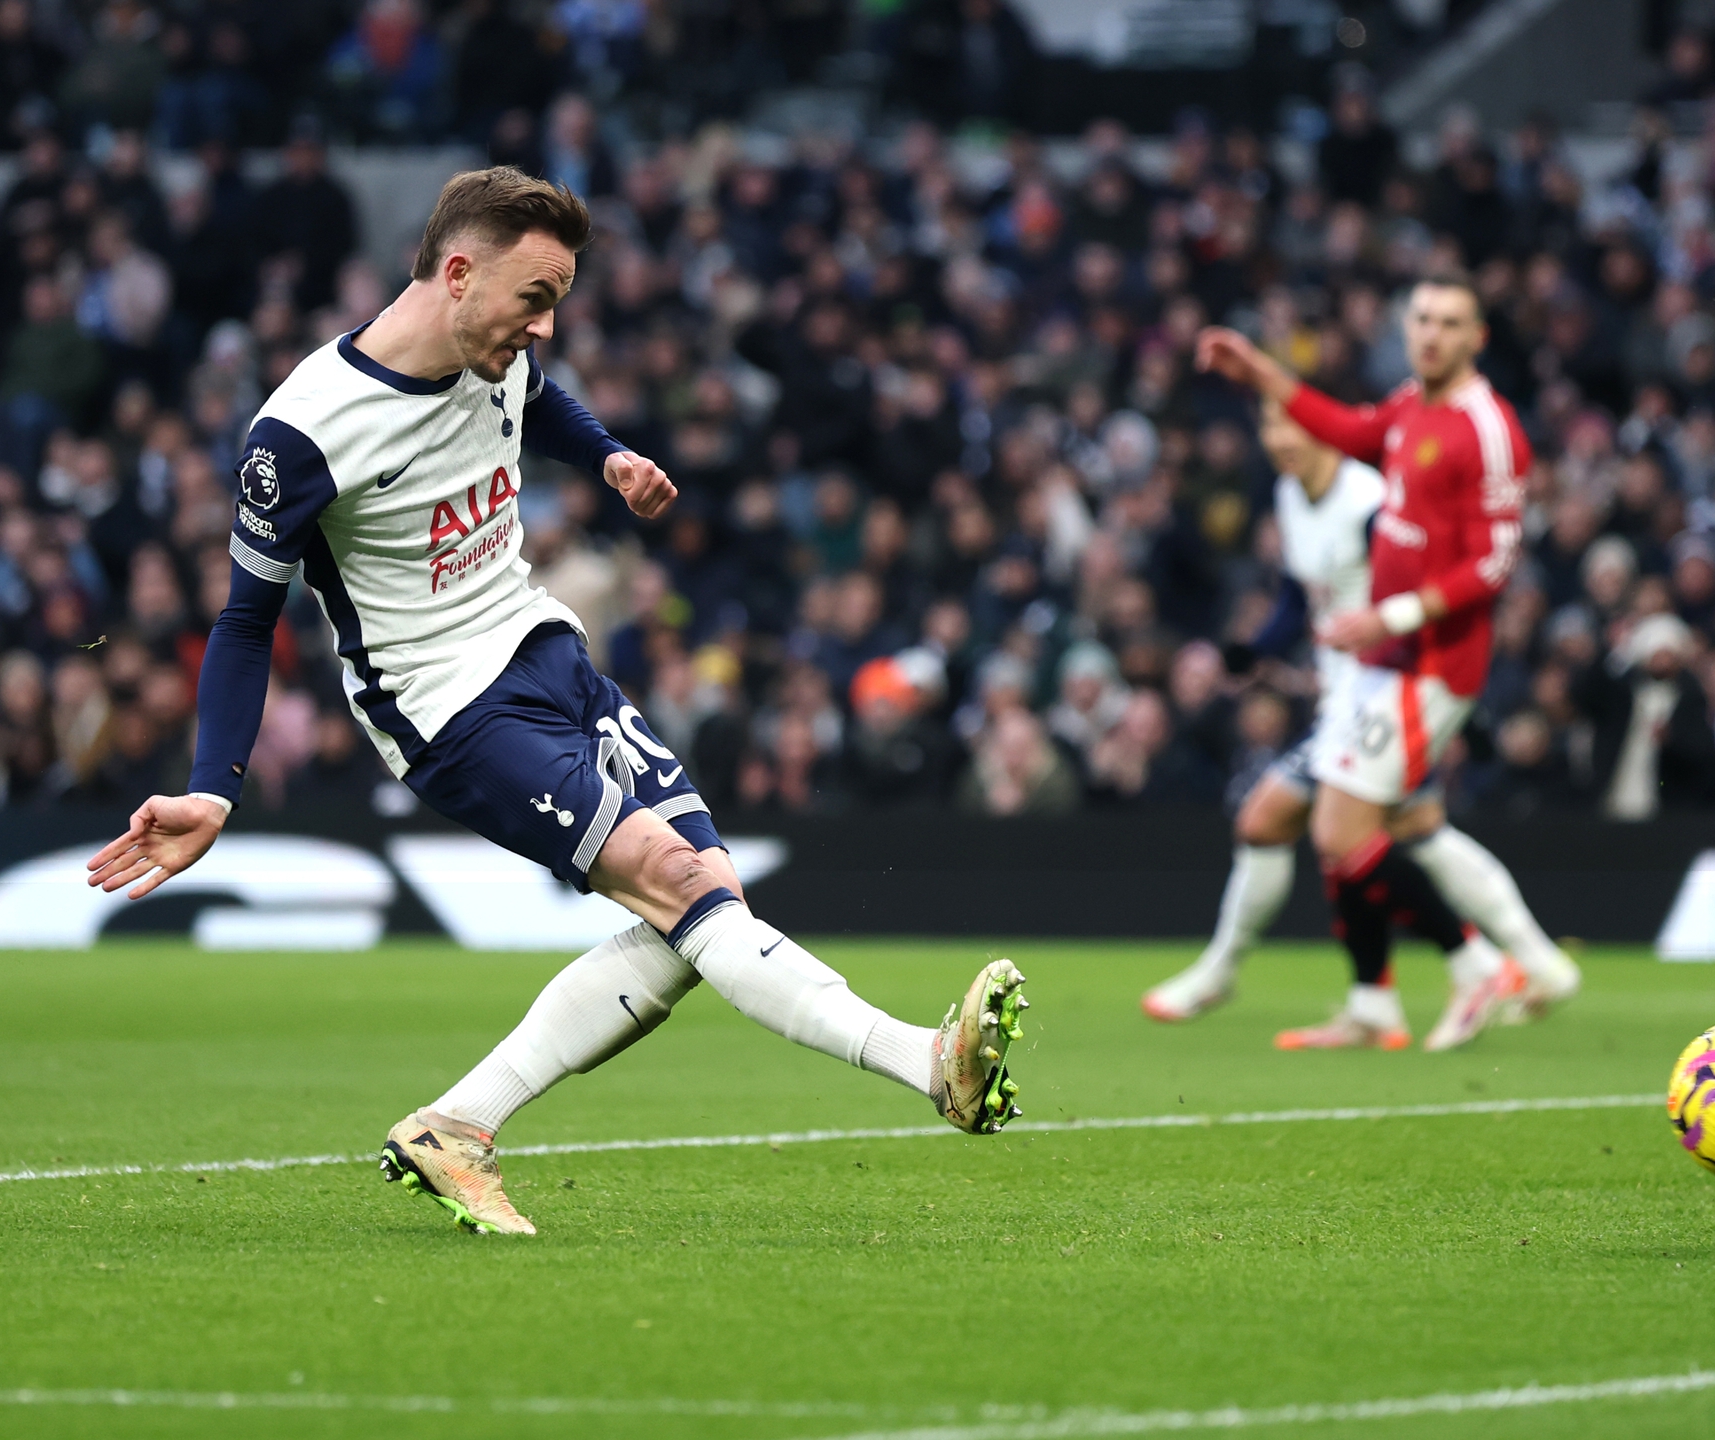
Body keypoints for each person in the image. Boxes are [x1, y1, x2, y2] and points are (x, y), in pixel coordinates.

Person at [84, 169, 1030, 1237]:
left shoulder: (499, 356)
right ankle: (926, 1062)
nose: (544, 327)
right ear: (455, 273)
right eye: (534, 298)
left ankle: (456, 1125)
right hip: (447, 707)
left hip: (546, 654)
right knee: (682, 884)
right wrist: (215, 790)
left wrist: (610, 455)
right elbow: (245, 622)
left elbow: (539, 404)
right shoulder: (301, 435)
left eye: (558, 303)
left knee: (701, 904)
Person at [1192, 277, 1578, 1051]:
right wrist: (1260, 373)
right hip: (1386, 661)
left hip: (1430, 664)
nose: (1431, 334)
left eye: (1450, 323)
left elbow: (1494, 563)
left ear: (1479, 338)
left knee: (1341, 832)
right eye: (1422, 320)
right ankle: (1481, 976)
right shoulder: (1411, 406)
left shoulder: (1487, 427)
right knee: (1404, 826)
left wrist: (1387, 615)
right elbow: (1348, 425)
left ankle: (1476, 967)